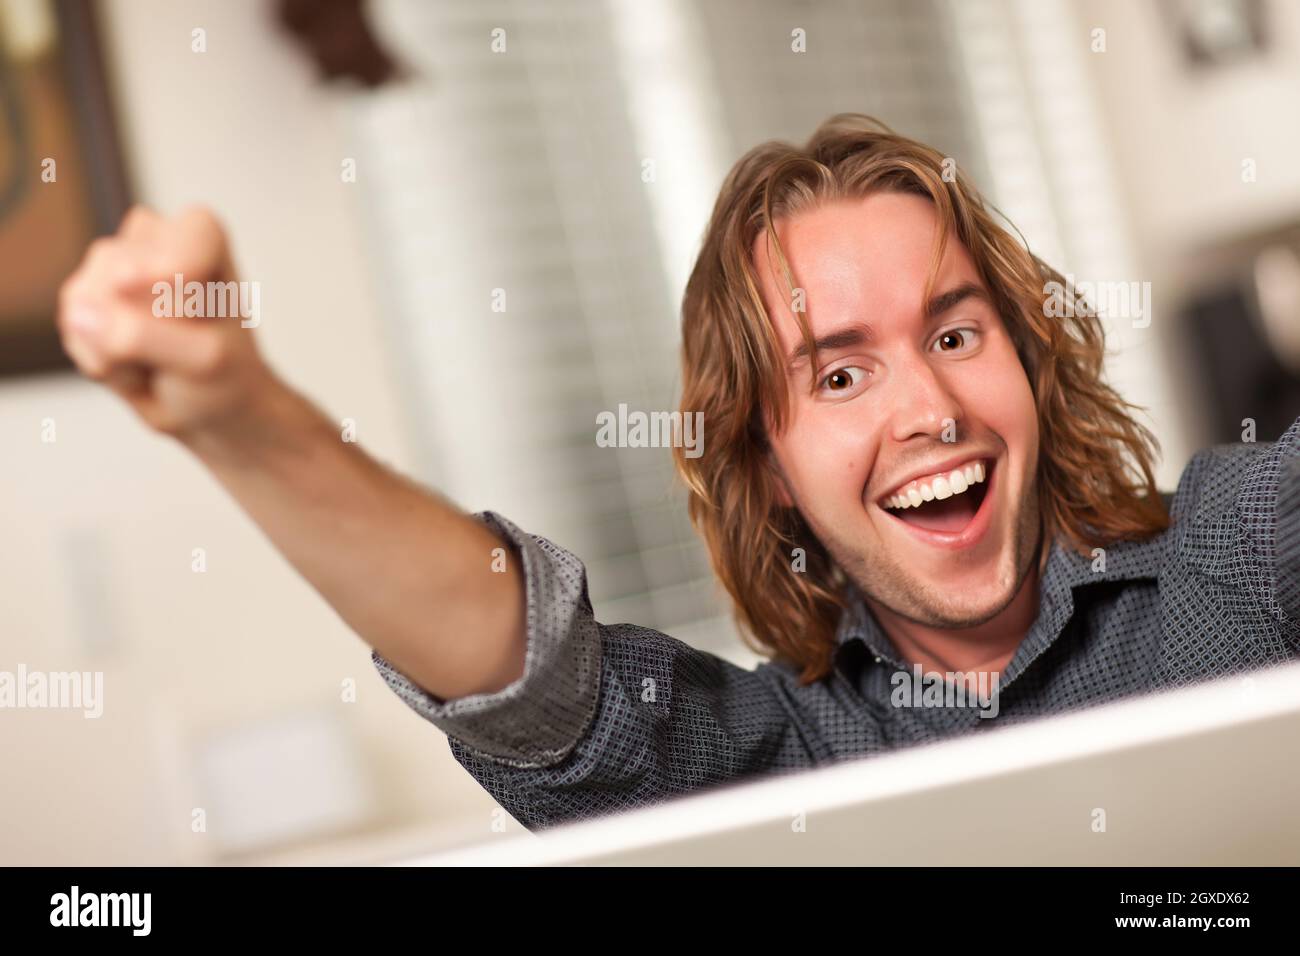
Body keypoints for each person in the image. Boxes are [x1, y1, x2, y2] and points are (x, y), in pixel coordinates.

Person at [56, 114, 1300, 831]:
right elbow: (532, 677)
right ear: (764, 463)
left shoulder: (1247, 545)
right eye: (839, 374)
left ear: (1028, 367)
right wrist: (247, 420)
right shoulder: (770, 758)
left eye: (956, 335)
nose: (928, 407)